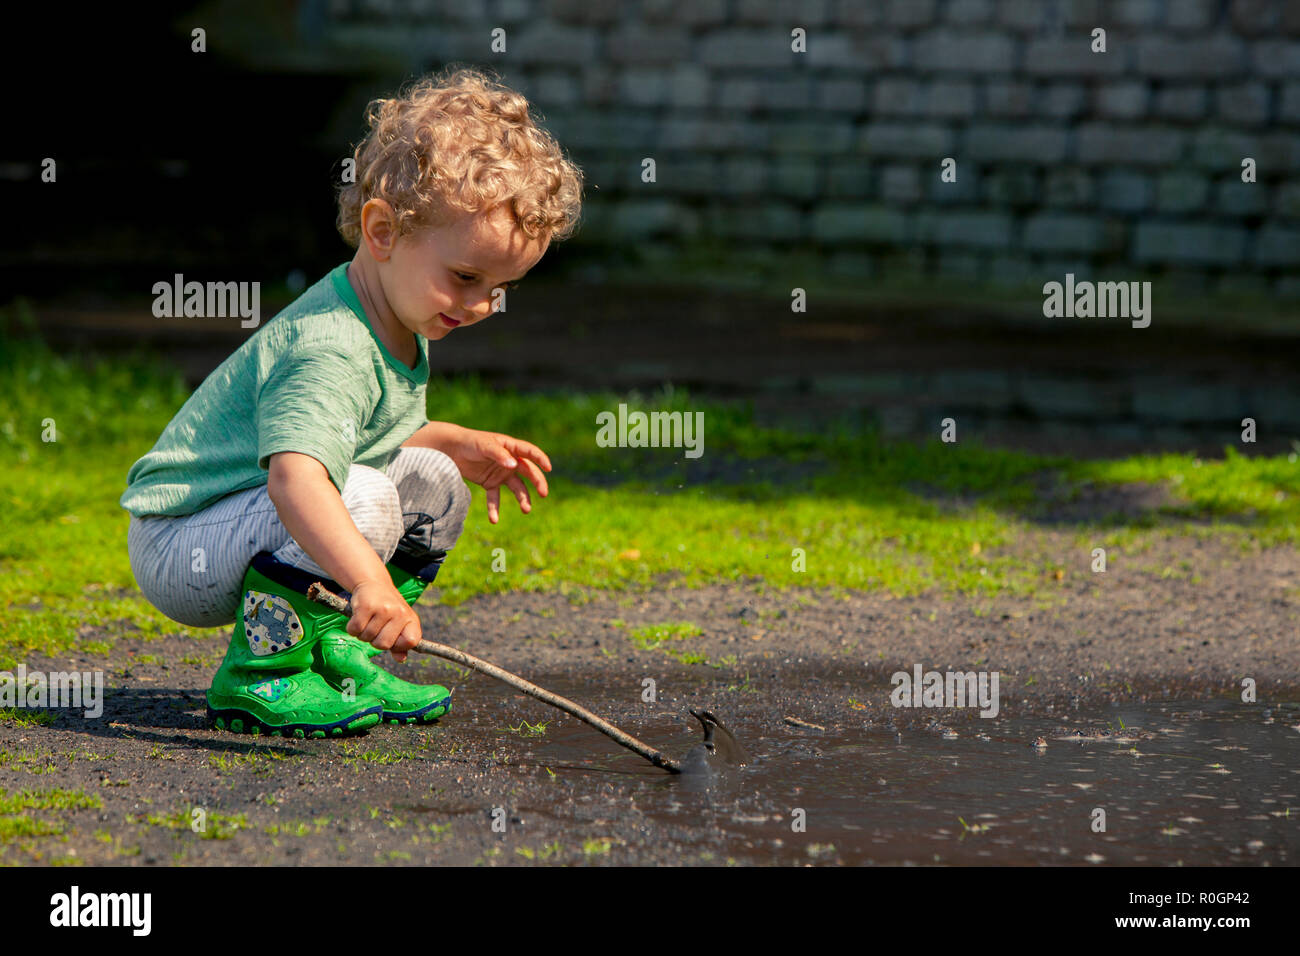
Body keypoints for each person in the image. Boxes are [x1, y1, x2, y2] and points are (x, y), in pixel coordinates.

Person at [119, 66, 584, 738]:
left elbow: (361, 438)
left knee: (435, 482)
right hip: (180, 543)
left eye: (500, 287)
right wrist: (371, 583)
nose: (482, 304)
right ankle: (263, 673)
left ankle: (338, 653)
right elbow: (296, 479)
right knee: (360, 497)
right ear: (384, 231)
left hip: (244, 526)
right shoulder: (331, 345)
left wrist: (454, 443)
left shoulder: (397, 318)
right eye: (466, 277)